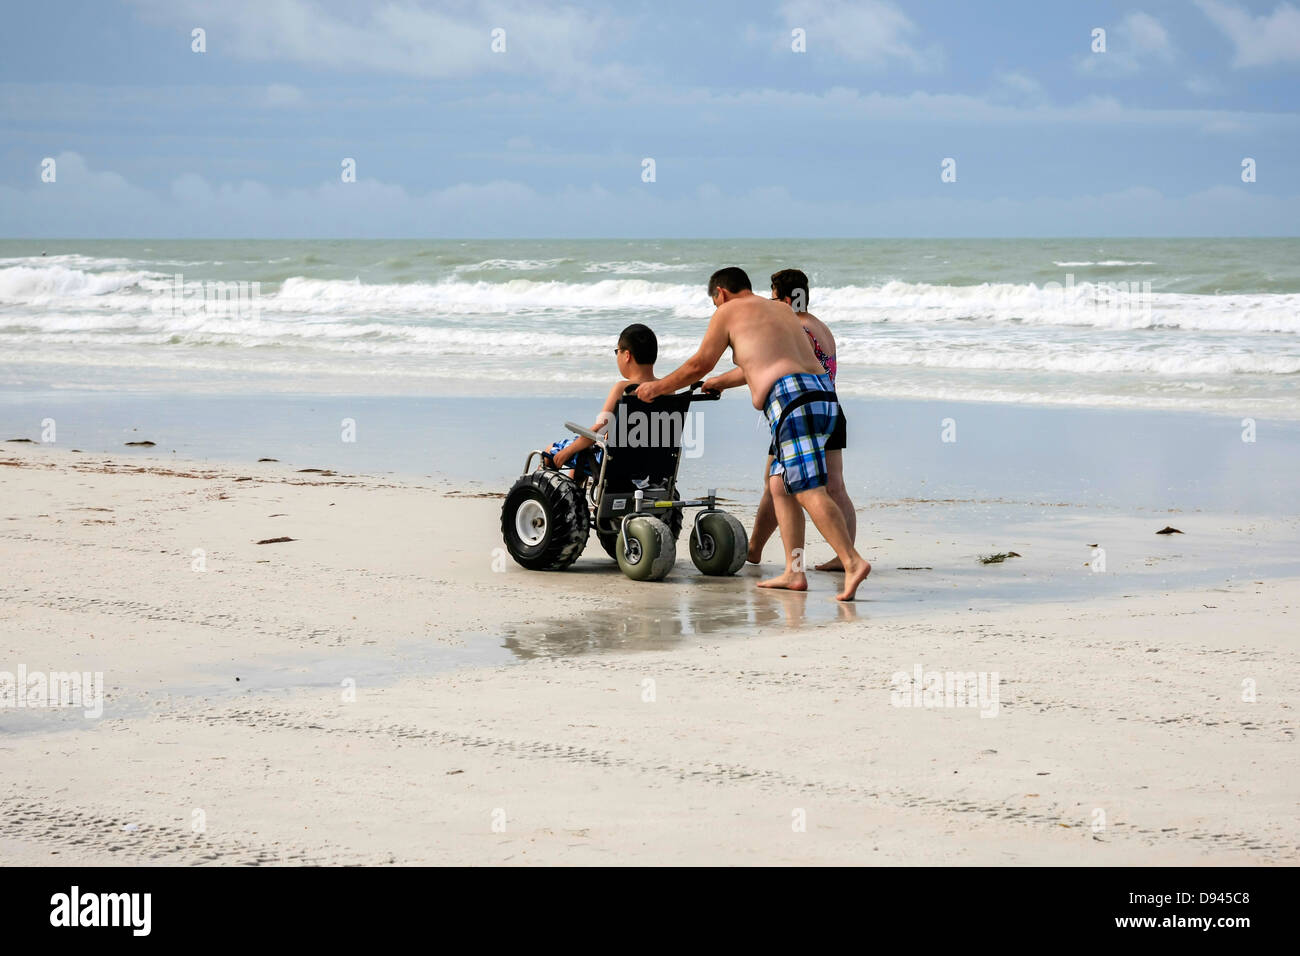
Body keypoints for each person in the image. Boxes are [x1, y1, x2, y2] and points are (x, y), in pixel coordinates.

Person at [636, 267, 871, 601]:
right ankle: (794, 570)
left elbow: (699, 364)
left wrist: (657, 388)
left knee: (808, 489)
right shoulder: (779, 310)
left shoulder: (728, 311)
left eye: (714, 301)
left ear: (721, 293)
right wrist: (719, 383)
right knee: (780, 485)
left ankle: (852, 561)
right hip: (822, 395)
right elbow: (764, 361)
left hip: (791, 400)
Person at [711, 269, 856, 571]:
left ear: (787, 298)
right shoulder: (820, 326)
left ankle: (756, 549)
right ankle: (844, 555)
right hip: (830, 409)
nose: (771, 301)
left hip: (798, 411)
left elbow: (764, 365)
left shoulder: (792, 325)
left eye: (774, 296)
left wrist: (719, 381)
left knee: (776, 483)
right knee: (835, 487)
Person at [546, 323, 659, 475]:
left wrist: (569, 451)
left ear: (627, 355)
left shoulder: (624, 389)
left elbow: (600, 429)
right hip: (653, 465)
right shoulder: (669, 390)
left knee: (553, 451)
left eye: (617, 351)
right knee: (584, 453)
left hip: (616, 464)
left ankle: (550, 497)